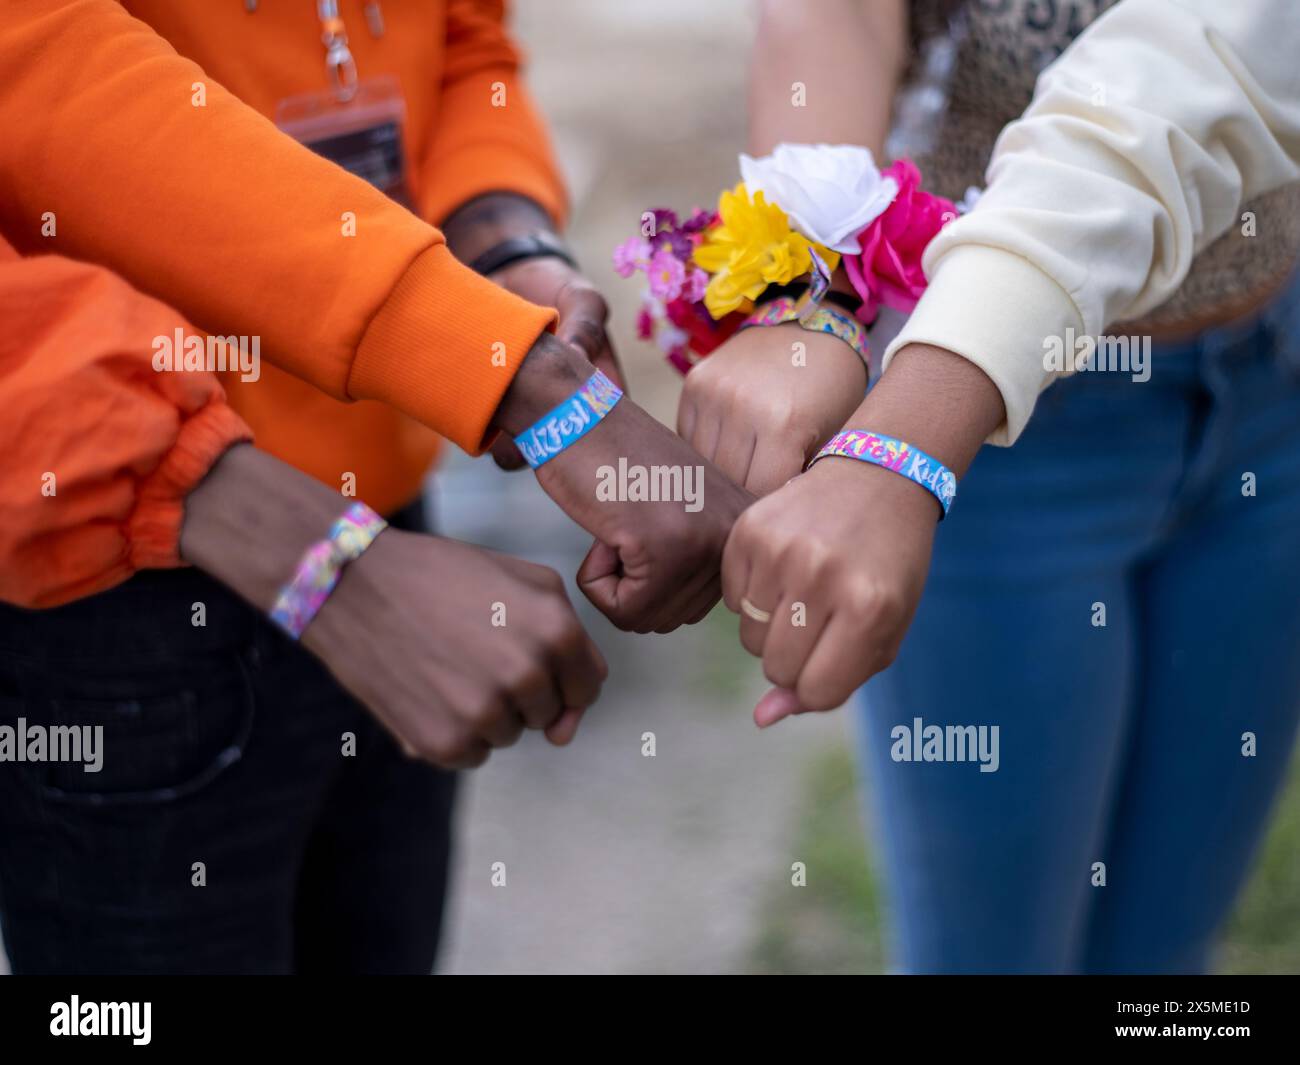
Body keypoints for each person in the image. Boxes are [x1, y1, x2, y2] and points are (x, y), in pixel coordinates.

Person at [0, 0, 749, 973]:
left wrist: (503, 243)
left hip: (389, 526)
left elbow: (461, 41)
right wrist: (508, 378)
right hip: (114, 577)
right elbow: (42, 60)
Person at [683, 0, 1300, 971]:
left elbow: (1223, 56)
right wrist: (804, 294)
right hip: (1002, 437)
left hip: (1271, 381)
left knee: (1166, 954)